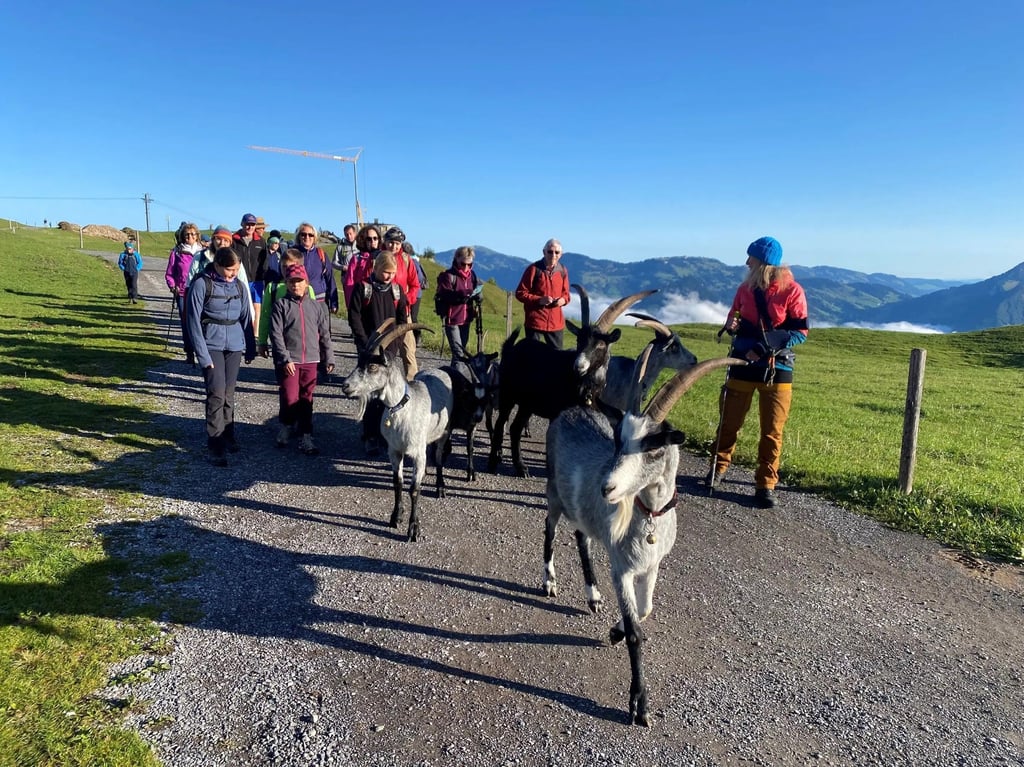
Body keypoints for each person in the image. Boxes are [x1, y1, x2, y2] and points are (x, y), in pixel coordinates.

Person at [706, 236, 809, 509]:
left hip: (778, 369)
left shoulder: (793, 291)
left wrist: (763, 347)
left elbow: (800, 332)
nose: (746, 262)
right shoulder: (744, 289)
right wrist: (732, 324)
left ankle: (766, 484)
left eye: (750, 257)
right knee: (729, 422)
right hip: (741, 364)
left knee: (772, 431)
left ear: (762, 263)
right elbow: (735, 315)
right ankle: (718, 469)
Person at [185, 247, 257, 466]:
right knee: (216, 393)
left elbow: (246, 317)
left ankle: (228, 434)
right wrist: (202, 355)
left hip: (234, 345)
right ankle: (215, 444)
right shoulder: (201, 284)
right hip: (211, 344)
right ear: (217, 265)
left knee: (228, 393)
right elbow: (193, 322)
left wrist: (250, 346)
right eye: (229, 270)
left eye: (235, 270)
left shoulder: (240, 286)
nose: (232, 275)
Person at [268, 263, 335, 456]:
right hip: (290, 361)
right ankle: (287, 425)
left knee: (307, 398)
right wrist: (285, 358)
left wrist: (328, 357)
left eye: (299, 281)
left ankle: (306, 435)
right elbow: (276, 334)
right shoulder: (281, 305)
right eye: (291, 282)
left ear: (306, 283)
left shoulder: (316, 306)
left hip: (311, 360)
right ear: (286, 283)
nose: (295, 285)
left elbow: (324, 334)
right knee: (290, 396)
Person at [348, 251, 409, 456]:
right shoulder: (363, 289)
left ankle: (386, 436)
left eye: (392, 273)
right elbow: (354, 315)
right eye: (385, 272)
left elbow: (402, 319)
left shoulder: (397, 291)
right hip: (368, 350)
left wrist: (396, 344)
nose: (389, 276)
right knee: (371, 394)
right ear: (376, 268)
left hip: (388, 353)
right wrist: (364, 342)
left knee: (389, 394)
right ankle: (370, 436)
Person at [257, 248, 317, 357]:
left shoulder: (308, 289)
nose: (286, 270)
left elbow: (314, 318)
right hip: (280, 342)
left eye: (290, 267)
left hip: (303, 344)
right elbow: (265, 316)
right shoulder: (273, 288)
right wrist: (262, 341)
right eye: (284, 266)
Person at [515, 238, 570, 349]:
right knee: (532, 359)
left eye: (557, 252)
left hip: (556, 324)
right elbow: (520, 293)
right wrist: (539, 300)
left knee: (557, 358)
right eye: (550, 252)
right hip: (535, 322)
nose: (553, 255)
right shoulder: (533, 269)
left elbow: (566, 295)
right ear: (544, 252)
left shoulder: (563, 270)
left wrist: (562, 301)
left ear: (561, 254)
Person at [382, 226, 421, 379]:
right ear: (385, 242)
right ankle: (381, 381)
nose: (394, 246)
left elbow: (415, 285)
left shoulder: (406, 259)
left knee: (408, 349)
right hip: (383, 312)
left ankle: (413, 381)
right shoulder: (378, 258)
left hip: (403, 311)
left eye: (397, 243)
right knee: (383, 348)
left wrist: (406, 301)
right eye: (391, 242)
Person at [165, 222, 204, 364]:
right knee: (187, 323)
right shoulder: (176, 252)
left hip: (202, 293)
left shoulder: (203, 252)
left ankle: (203, 352)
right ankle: (189, 352)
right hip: (183, 293)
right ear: (183, 236)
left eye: (193, 234)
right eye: (187, 234)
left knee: (202, 322)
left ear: (197, 235)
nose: (190, 236)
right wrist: (172, 286)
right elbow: (169, 273)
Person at [436, 246, 482, 361]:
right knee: (458, 353)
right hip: (452, 320)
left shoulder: (472, 276)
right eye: (463, 264)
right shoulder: (448, 276)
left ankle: (454, 376)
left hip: (467, 319)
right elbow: (445, 295)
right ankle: (457, 377)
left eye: (469, 264)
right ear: (456, 259)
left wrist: (478, 296)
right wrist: (462, 295)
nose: (466, 267)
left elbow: (477, 289)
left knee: (461, 352)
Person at [294, 222, 339, 314]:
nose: (307, 237)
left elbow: (330, 278)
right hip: (298, 300)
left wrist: (334, 302)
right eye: (303, 234)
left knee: (322, 328)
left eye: (310, 235)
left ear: (314, 238)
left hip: (319, 300)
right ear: (299, 236)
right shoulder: (292, 253)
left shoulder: (321, 254)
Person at [232, 213, 267, 329]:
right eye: (247, 224)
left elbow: (264, 261)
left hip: (256, 280)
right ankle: (241, 330)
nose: (250, 227)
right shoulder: (234, 240)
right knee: (240, 305)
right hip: (239, 279)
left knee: (257, 307)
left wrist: (263, 276)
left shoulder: (261, 241)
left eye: (252, 225)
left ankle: (255, 333)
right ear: (242, 224)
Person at [342, 224, 382, 307]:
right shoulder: (357, 258)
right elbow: (349, 284)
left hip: (380, 302)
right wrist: (351, 306)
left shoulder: (383, 257)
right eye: (369, 239)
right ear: (363, 240)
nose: (372, 241)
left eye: (375, 238)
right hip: (361, 303)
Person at [404, 241, 429, 340]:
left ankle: (416, 333)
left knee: (412, 316)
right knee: (410, 316)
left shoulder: (413, 262)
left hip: (415, 293)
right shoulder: (415, 261)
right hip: (415, 293)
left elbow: (418, 279)